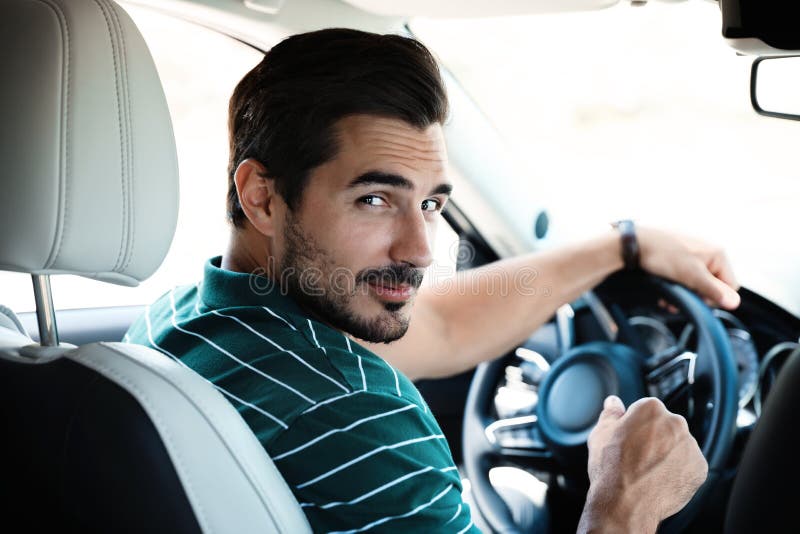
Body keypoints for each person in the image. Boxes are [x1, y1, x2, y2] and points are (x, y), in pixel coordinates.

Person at [125, 28, 737, 533]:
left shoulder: (179, 323)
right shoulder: (357, 416)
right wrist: (623, 504)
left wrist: (622, 246)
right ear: (262, 197)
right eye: (373, 199)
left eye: (430, 204)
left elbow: (443, 326)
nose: (420, 250)